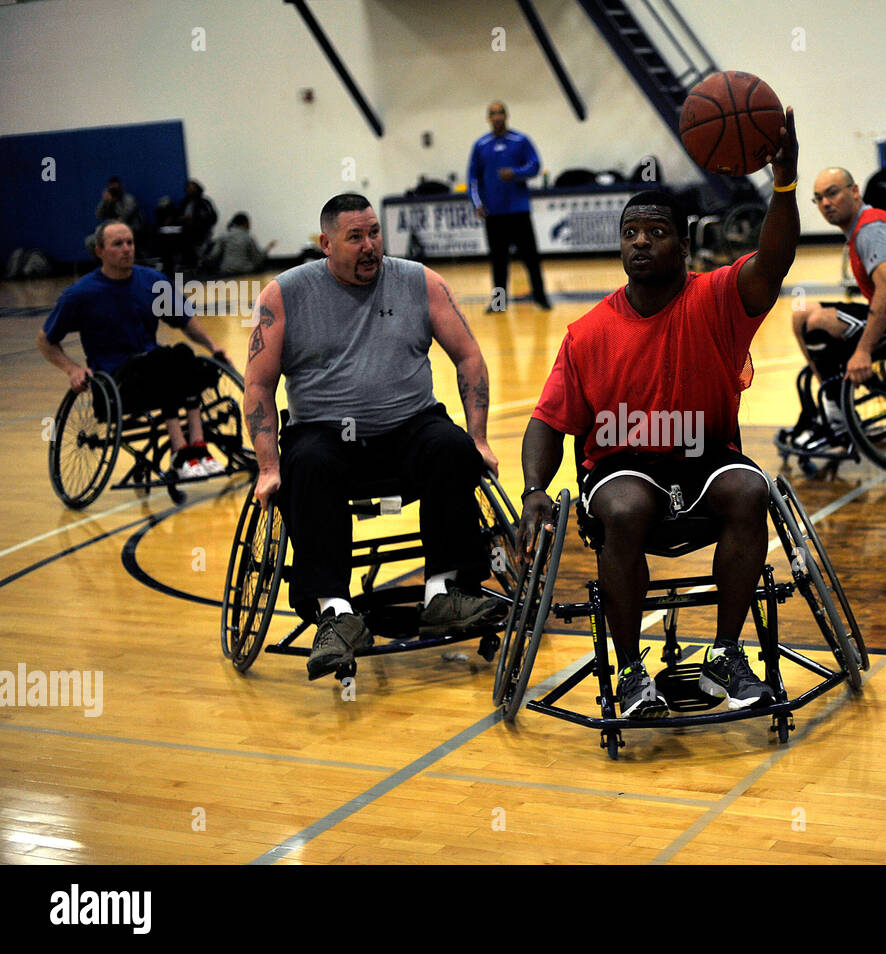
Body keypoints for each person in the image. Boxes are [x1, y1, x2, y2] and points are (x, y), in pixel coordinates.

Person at [518, 109, 800, 719]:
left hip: (704, 459)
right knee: (626, 508)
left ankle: (727, 650)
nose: (640, 242)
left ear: (684, 243)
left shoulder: (718, 298)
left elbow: (772, 263)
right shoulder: (589, 331)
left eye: (655, 232)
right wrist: (535, 488)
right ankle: (629, 672)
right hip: (622, 469)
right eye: (630, 233)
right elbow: (546, 419)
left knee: (750, 488)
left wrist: (784, 185)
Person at [244, 193, 506, 681]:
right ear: (325, 243)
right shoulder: (284, 294)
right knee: (308, 464)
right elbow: (259, 384)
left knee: (452, 448)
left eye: (375, 233)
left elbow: (469, 356)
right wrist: (267, 466)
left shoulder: (419, 281)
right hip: (325, 437)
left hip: (409, 430)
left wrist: (481, 438)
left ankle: (442, 591)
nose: (370, 247)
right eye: (355, 237)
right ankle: (336, 613)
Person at [39, 220, 229, 478]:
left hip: (155, 367)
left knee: (184, 354)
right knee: (162, 361)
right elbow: (45, 340)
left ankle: (198, 444)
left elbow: (184, 320)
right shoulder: (81, 294)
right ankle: (178, 451)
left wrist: (212, 345)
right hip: (116, 382)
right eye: (118, 244)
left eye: (130, 242)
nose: (127, 249)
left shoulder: (152, 281)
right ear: (100, 251)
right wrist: (72, 369)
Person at [783, 166, 886, 448]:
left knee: (820, 321)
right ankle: (833, 406)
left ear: (855, 191)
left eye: (832, 194)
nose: (825, 204)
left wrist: (863, 351)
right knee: (801, 315)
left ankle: (837, 417)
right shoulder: (860, 227)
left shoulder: (871, 229)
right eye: (818, 198)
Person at [467, 101, 550, 312]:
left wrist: (516, 173)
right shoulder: (480, 145)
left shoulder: (520, 141)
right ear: (488, 118)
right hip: (494, 213)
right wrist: (477, 203)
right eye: (493, 113)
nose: (497, 117)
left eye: (500, 113)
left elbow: (535, 165)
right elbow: (473, 178)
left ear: (506, 115)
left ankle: (540, 296)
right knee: (498, 261)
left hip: (518, 211)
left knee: (531, 257)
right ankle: (499, 302)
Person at [84, 176, 144, 255]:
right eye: (112, 189)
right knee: (90, 241)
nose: (114, 191)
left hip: (129, 230)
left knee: (112, 241)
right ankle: (104, 264)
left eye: (116, 188)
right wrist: (105, 202)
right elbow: (99, 215)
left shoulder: (129, 199)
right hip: (112, 231)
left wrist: (115, 201)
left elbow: (124, 217)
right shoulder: (108, 201)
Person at [204, 213, 276, 276]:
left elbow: (213, 256)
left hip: (226, 272)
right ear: (245, 224)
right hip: (244, 272)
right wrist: (268, 248)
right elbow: (257, 259)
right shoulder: (248, 238)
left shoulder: (224, 236)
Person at [179, 179, 219, 269]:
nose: (190, 189)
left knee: (201, 255)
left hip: (201, 233)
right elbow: (178, 216)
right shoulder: (184, 203)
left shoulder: (204, 202)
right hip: (187, 234)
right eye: (188, 187)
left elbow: (213, 217)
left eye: (192, 187)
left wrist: (198, 221)